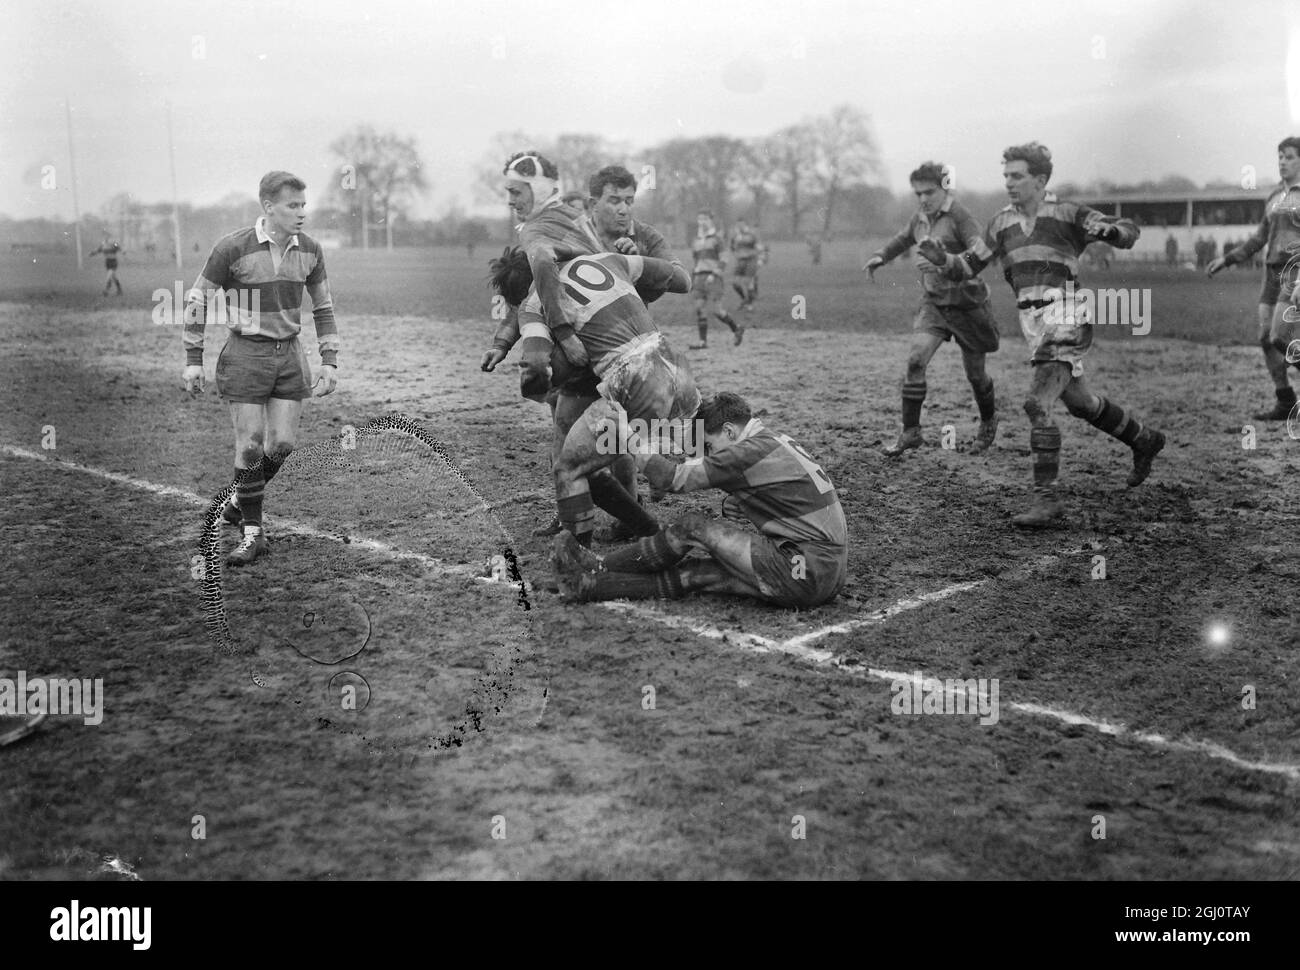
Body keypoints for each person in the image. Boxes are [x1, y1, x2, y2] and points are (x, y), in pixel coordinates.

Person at [925, 142, 1165, 528]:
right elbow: (967, 266)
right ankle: (1143, 439)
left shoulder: (1067, 213)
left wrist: (1111, 231)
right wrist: (943, 260)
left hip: (1067, 314)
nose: (1009, 183)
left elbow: (1128, 230)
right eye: (1005, 176)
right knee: (1080, 402)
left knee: (1037, 404)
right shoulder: (1000, 223)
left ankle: (1047, 500)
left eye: (1017, 176)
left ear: (1040, 180)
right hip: (1034, 324)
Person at [551, 391, 847, 609]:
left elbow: (669, 478)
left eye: (709, 444)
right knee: (699, 574)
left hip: (800, 568)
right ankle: (590, 585)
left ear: (730, 430)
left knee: (691, 527)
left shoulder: (745, 452)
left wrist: (628, 435)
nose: (707, 452)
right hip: (827, 574)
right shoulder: (774, 440)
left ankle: (600, 566)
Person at [488, 246, 698, 548]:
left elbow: (535, 367)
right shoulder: (603, 259)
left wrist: (537, 386)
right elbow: (678, 279)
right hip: (679, 372)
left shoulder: (532, 305)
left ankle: (580, 557)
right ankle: (646, 525)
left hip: (635, 382)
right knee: (598, 455)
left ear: (517, 296)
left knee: (567, 465)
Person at [181, 171, 340, 565]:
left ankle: (237, 500)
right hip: (245, 356)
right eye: (292, 205)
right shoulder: (231, 247)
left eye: (304, 205)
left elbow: (323, 308)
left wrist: (330, 360)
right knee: (250, 443)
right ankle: (253, 533)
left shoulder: (312, 250)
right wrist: (192, 362)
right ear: (269, 207)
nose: (301, 212)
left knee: (282, 445)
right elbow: (197, 301)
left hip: (290, 356)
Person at [864, 161, 1000, 457]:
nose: (923, 199)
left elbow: (979, 252)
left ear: (945, 188)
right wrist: (880, 256)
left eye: (929, 192)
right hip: (934, 303)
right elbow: (902, 239)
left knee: (976, 376)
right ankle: (911, 432)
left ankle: (988, 421)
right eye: (918, 194)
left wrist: (944, 259)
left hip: (968, 305)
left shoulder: (961, 217)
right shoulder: (920, 217)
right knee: (915, 361)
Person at [1207, 136, 1300, 420]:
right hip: (1270, 273)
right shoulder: (1273, 197)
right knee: (1264, 338)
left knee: (1279, 336)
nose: (1282, 162)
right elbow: (1259, 237)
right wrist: (1228, 258)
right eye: (1280, 157)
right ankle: (1285, 401)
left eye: (1289, 157)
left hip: (1294, 272)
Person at [688, 210, 743, 349]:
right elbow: (695, 260)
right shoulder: (696, 240)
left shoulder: (717, 239)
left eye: (705, 219)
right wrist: (693, 277)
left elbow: (724, 258)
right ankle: (702, 342)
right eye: (700, 219)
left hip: (713, 278)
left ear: (711, 220)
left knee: (717, 311)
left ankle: (736, 328)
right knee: (700, 308)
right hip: (699, 277)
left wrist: (715, 273)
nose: (702, 222)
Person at [728, 217, 766, 312]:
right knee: (735, 283)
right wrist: (736, 253)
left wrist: (761, 259)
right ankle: (744, 300)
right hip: (740, 260)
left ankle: (749, 304)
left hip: (751, 260)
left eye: (741, 224)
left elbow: (760, 247)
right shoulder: (736, 235)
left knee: (748, 282)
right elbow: (732, 246)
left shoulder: (752, 234)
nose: (739, 226)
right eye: (738, 225)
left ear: (745, 224)